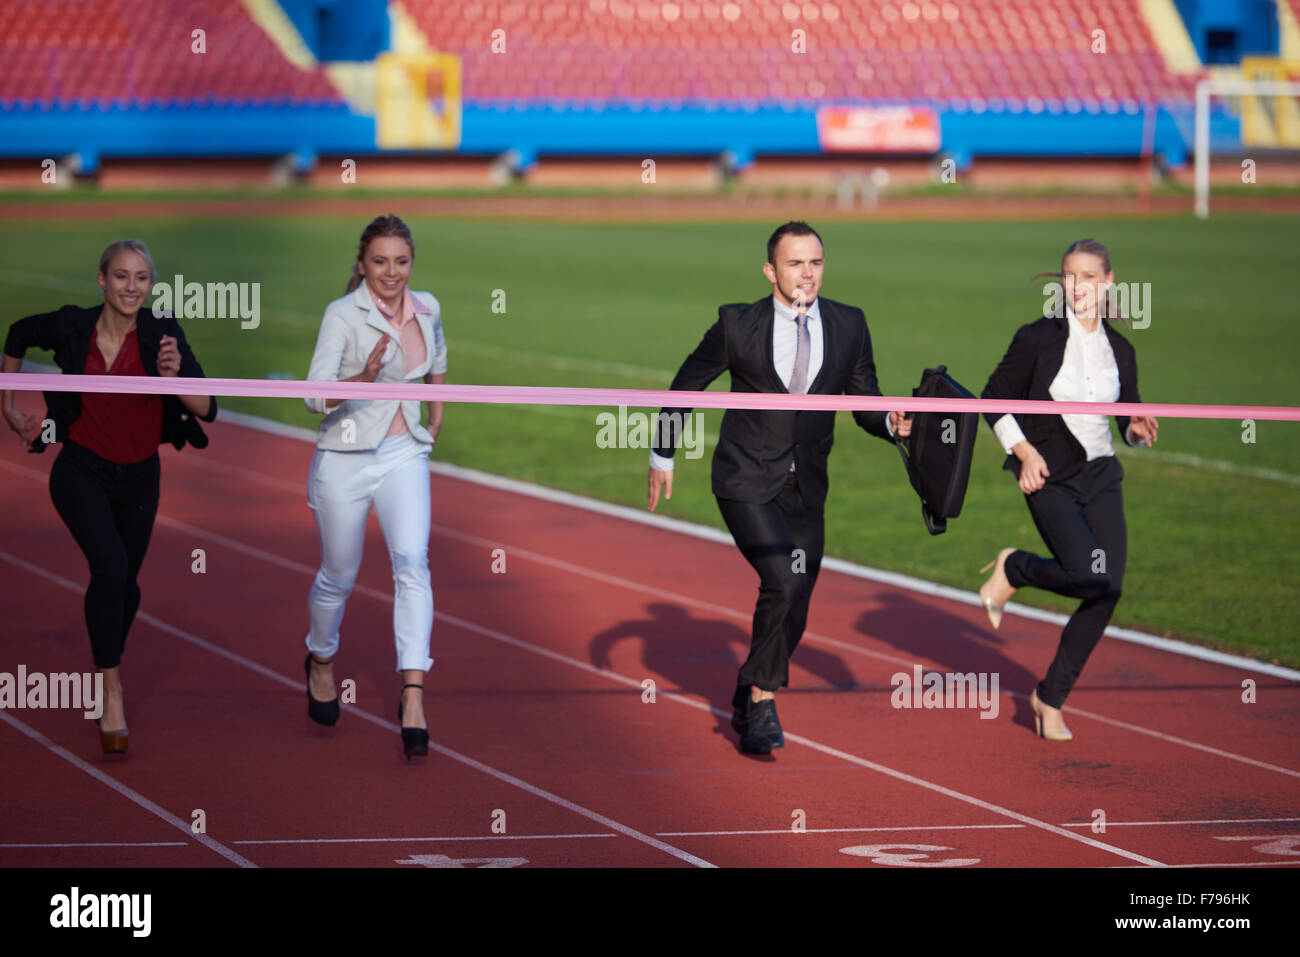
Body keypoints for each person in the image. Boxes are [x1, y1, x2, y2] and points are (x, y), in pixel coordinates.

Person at [647, 221, 911, 754]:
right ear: (771, 271)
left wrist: (890, 422)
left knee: (798, 600)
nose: (806, 273)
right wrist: (662, 453)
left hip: (807, 486)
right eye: (795, 263)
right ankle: (765, 700)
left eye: (815, 262)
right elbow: (686, 386)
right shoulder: (735, 325)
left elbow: (864, 398)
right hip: (745, 479)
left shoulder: (849, 324)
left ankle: (747, 692)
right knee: (783, 580)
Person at [1, 239, 216, 756]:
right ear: (102, 280)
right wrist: (9, 406)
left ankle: (105, 659)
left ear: (151, 285)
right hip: (79, 469)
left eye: (141, 278)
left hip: (140, 476)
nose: (131, 287)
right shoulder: (73, 325)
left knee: (128, 588)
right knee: (111, 569)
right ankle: (110, 687)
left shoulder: (162, 332)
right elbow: (17, 334)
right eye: (121, 276)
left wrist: (172, 378)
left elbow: (207, 406)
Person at [978, 238, 1158, 741]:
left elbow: (1127, 415)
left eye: (1086, 278)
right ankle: (1016, 567)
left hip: (1102, 476)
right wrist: (1024, 452)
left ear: (1108, 283)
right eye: (1068, 277)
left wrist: (1137, 430)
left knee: (1107, 587)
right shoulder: (1036, 338)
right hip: (1048, 475)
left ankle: (1049, 697)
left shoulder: (1122, 348)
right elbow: (993, 400)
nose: (1075, 287)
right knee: (1085, 574)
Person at [302, 214, 446, 759]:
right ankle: (319, 657)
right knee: (338, 574)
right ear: (362, 264)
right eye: (381, 262)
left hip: (404, 451)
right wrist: (359, 379)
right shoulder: (342, 314)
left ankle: (413, 695)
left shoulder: (428, 306)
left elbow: (439, 363)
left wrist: (434, 417)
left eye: (401, 262)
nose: (392, 272)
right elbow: (314, 396)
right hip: (344, 454)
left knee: (412, 563)